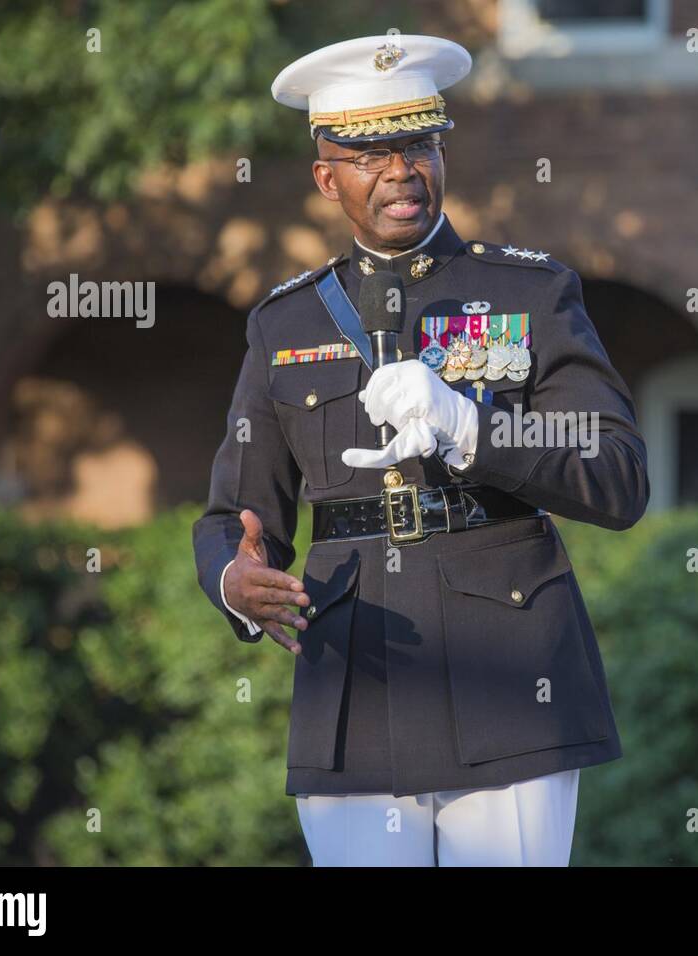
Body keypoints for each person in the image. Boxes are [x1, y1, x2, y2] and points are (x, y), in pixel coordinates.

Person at [192, 33, 649, 866]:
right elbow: (237, 512)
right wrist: (233, 578)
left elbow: (616, 475)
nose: (401, 170)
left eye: (418, 144)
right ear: (327, 177)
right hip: (354, 670)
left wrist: (469, 423)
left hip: (508, 672)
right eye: (369, 153)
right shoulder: (285, 323)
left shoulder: (530, 291)